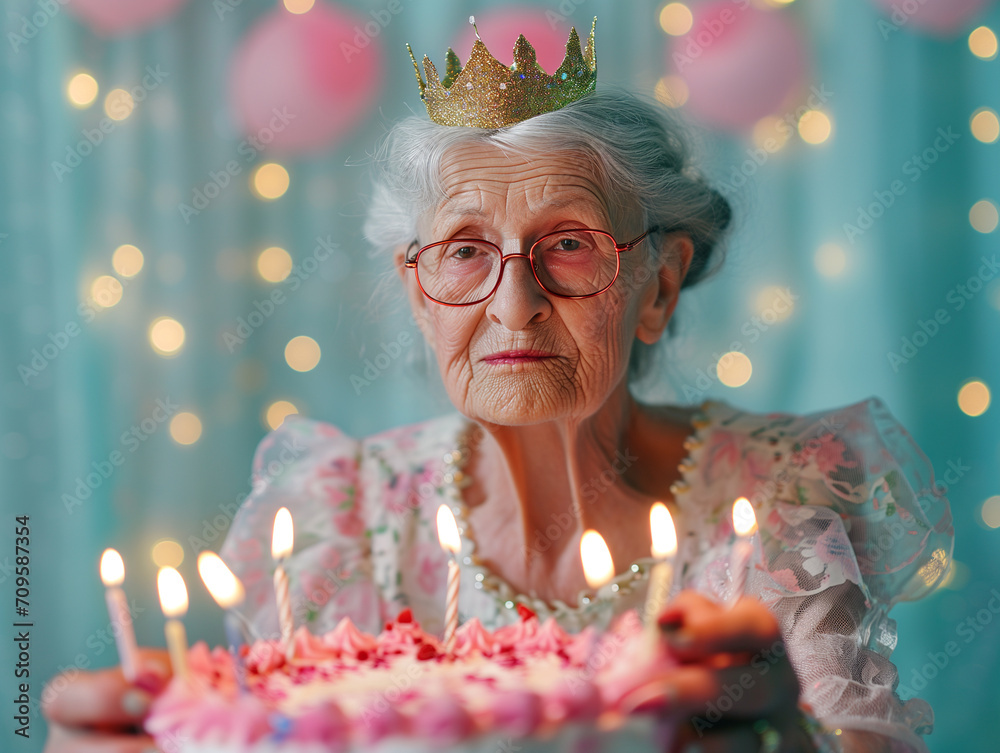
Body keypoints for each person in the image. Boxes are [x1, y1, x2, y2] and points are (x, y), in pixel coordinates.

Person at [43, 19, 953, 753]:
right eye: (466, 252)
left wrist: (778, 733)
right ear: (417, 288)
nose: (514, 307)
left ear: (659, 285)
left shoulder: (781, 500)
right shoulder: (345, 517)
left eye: (568, 244)